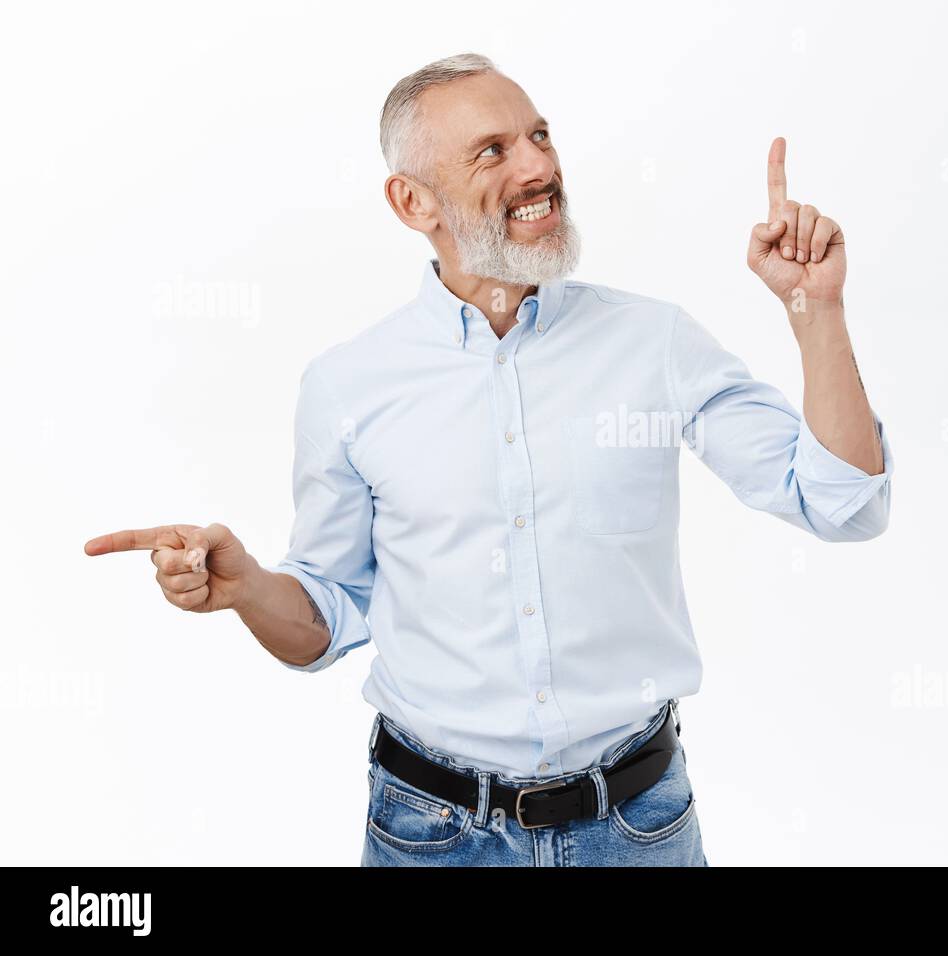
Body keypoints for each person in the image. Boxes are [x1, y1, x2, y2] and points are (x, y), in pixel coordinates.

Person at [83, 53, 895, 866]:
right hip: (430, 837)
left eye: (539, 136)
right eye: (493, 150)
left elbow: (841, 503)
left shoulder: (655, 345)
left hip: (637, 830)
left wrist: (814, 310)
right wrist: (248, 589)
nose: (540, 166)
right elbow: (326, 616)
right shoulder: (348, 387)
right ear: (412, 202)